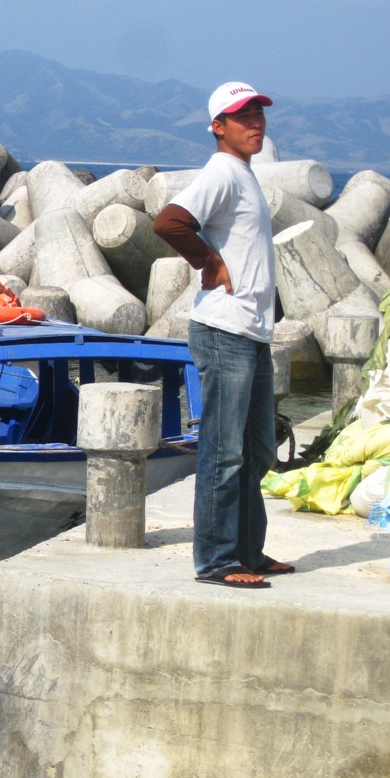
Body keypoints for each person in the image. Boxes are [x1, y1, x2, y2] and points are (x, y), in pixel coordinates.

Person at [153, 81, 295, 588]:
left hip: (251, 331)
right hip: (223, 329)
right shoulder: (221, 172)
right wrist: (208, 262)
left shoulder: (244, 173)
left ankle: (247, 551)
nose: (255, 123)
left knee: (258, 449)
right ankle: (216, 561)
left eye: (259, 114)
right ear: (218, 126)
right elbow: (169, 222)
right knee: (223, 449)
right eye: (243, 117)